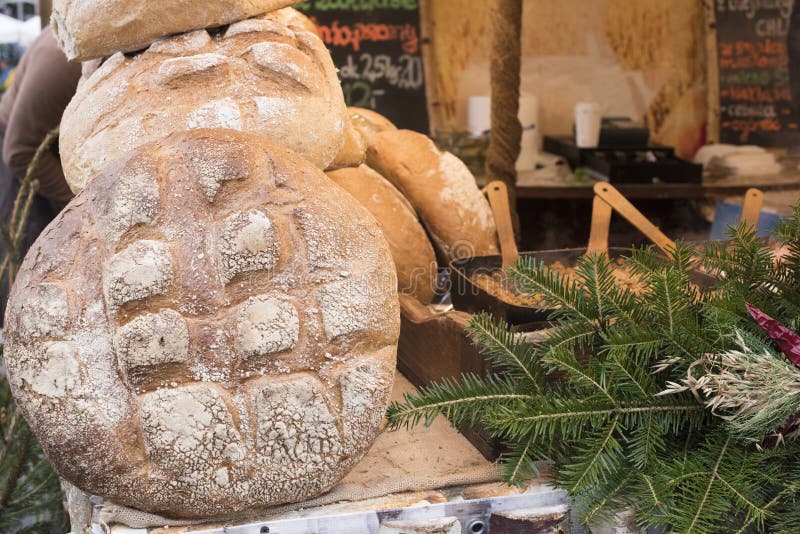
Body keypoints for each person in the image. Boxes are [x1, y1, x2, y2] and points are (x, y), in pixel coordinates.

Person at [0, 26, 81, 320]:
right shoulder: (63, 57)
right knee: (27, 277)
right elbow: (20, 151)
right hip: (23, 158)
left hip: (55, 153)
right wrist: (80, 203)